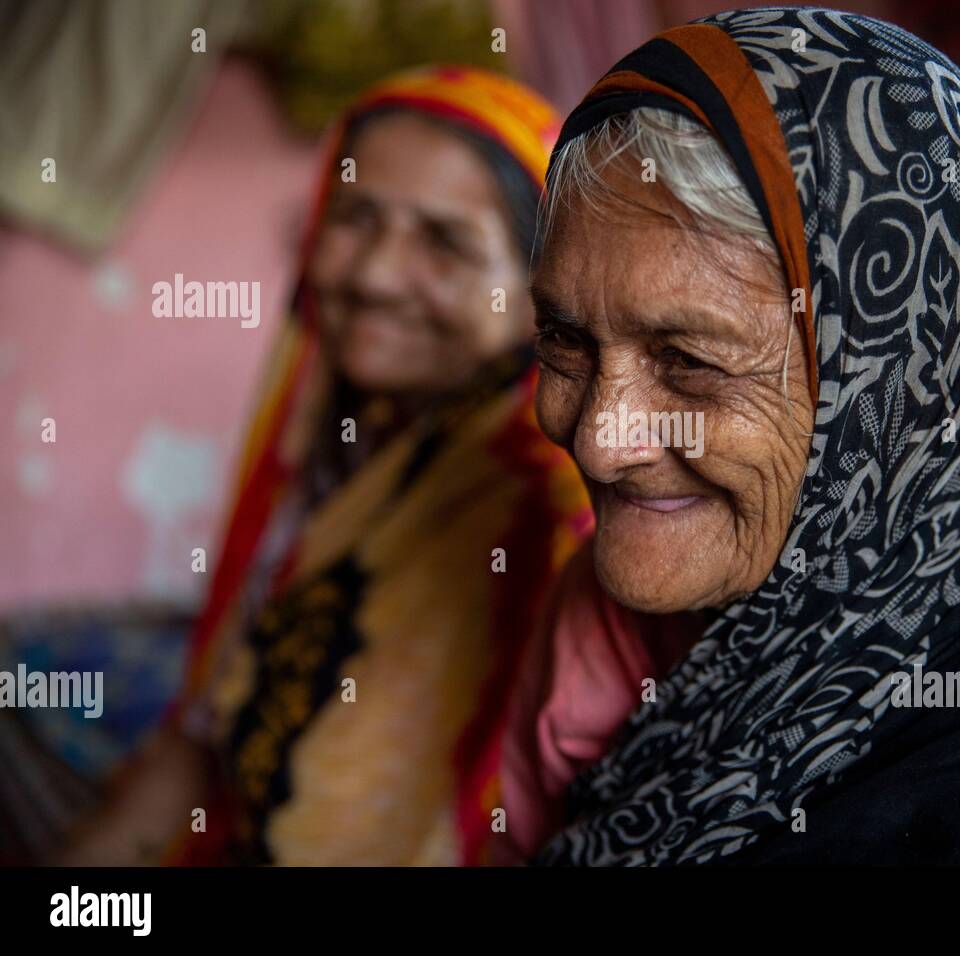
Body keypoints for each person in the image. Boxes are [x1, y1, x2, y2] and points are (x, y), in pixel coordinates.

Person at [501, 8, 960, 866]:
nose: (597, 440)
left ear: (902, 380)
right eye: (565, 341)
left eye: (690, 361)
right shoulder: (610, 623)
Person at [60, 66, 591, 866]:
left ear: (537, 291)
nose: (375, 275)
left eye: (445, 242)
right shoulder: (339, 446)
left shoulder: (548, 514)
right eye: (354, 218)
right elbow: (200, 742)